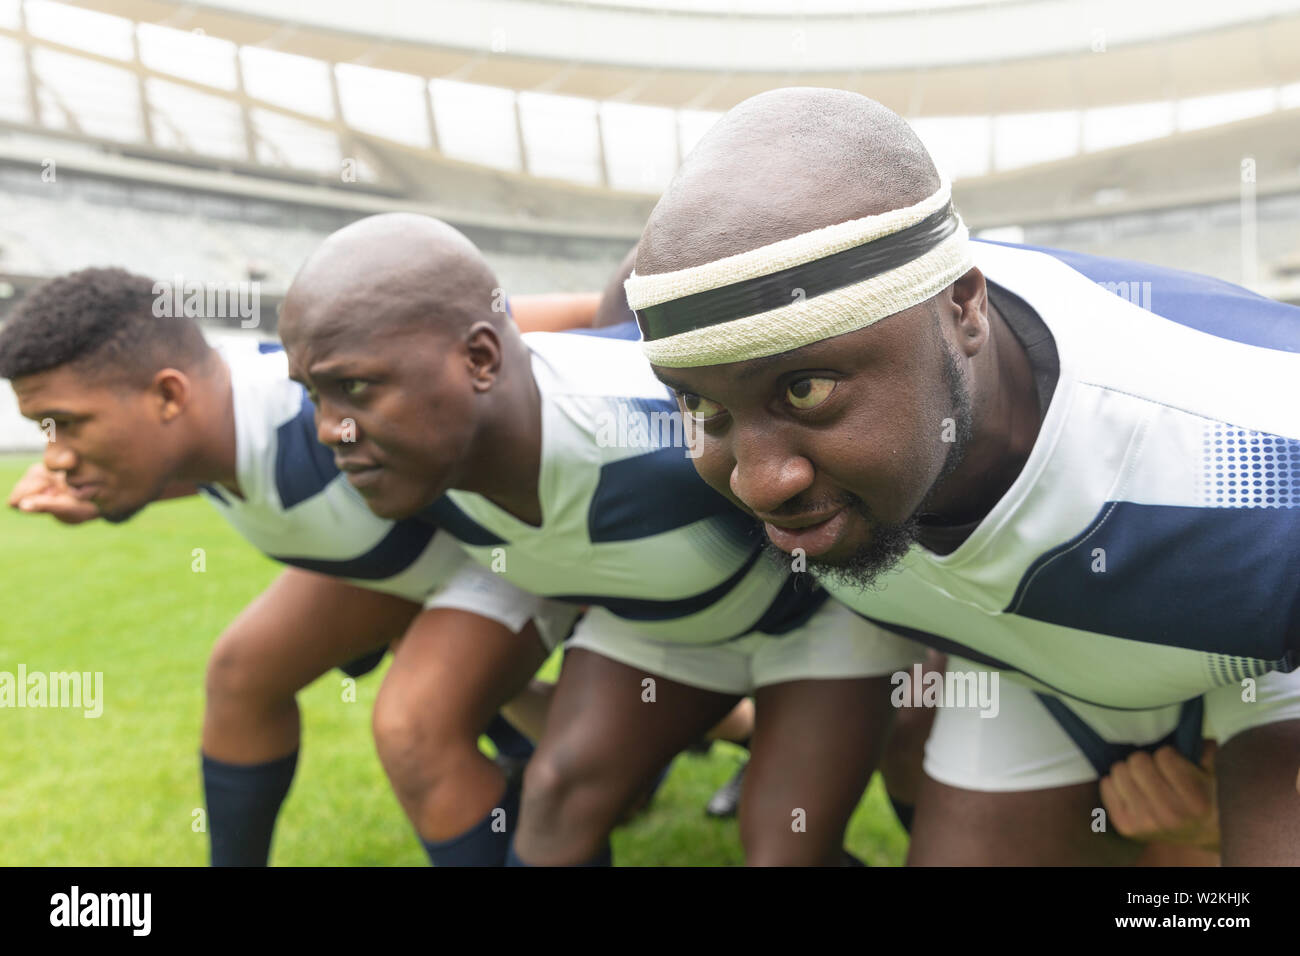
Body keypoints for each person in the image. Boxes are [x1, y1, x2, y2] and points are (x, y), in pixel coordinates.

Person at [624, 86, 1300, 864]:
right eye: (699, 404)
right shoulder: (681, 438)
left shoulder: (1254, 452)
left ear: (964, 307)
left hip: (1261, 678)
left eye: (805, 388)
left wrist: (1207, 844)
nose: (760, 482)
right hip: (1027, 681)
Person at [276, 212, 923, 865]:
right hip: (665, 625)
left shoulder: (664, 423)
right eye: (313, 395)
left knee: (786, 849)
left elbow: (871, 495)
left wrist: (932, 669)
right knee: (555, 799)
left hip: (815, 617)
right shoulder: (387, 459)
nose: (332, 429)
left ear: (478, 358)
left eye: (353, 387)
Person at [0, 267, 583, 866]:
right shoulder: (204, 417)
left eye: (66, 424)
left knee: (414, 726)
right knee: (242, 673)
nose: (56, 457)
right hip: (409, 559)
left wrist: (625, 313)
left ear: (169, 396)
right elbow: (226, 469)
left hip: (509, 552)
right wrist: (100, 495)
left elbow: (479, 326)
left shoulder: (307, 397)